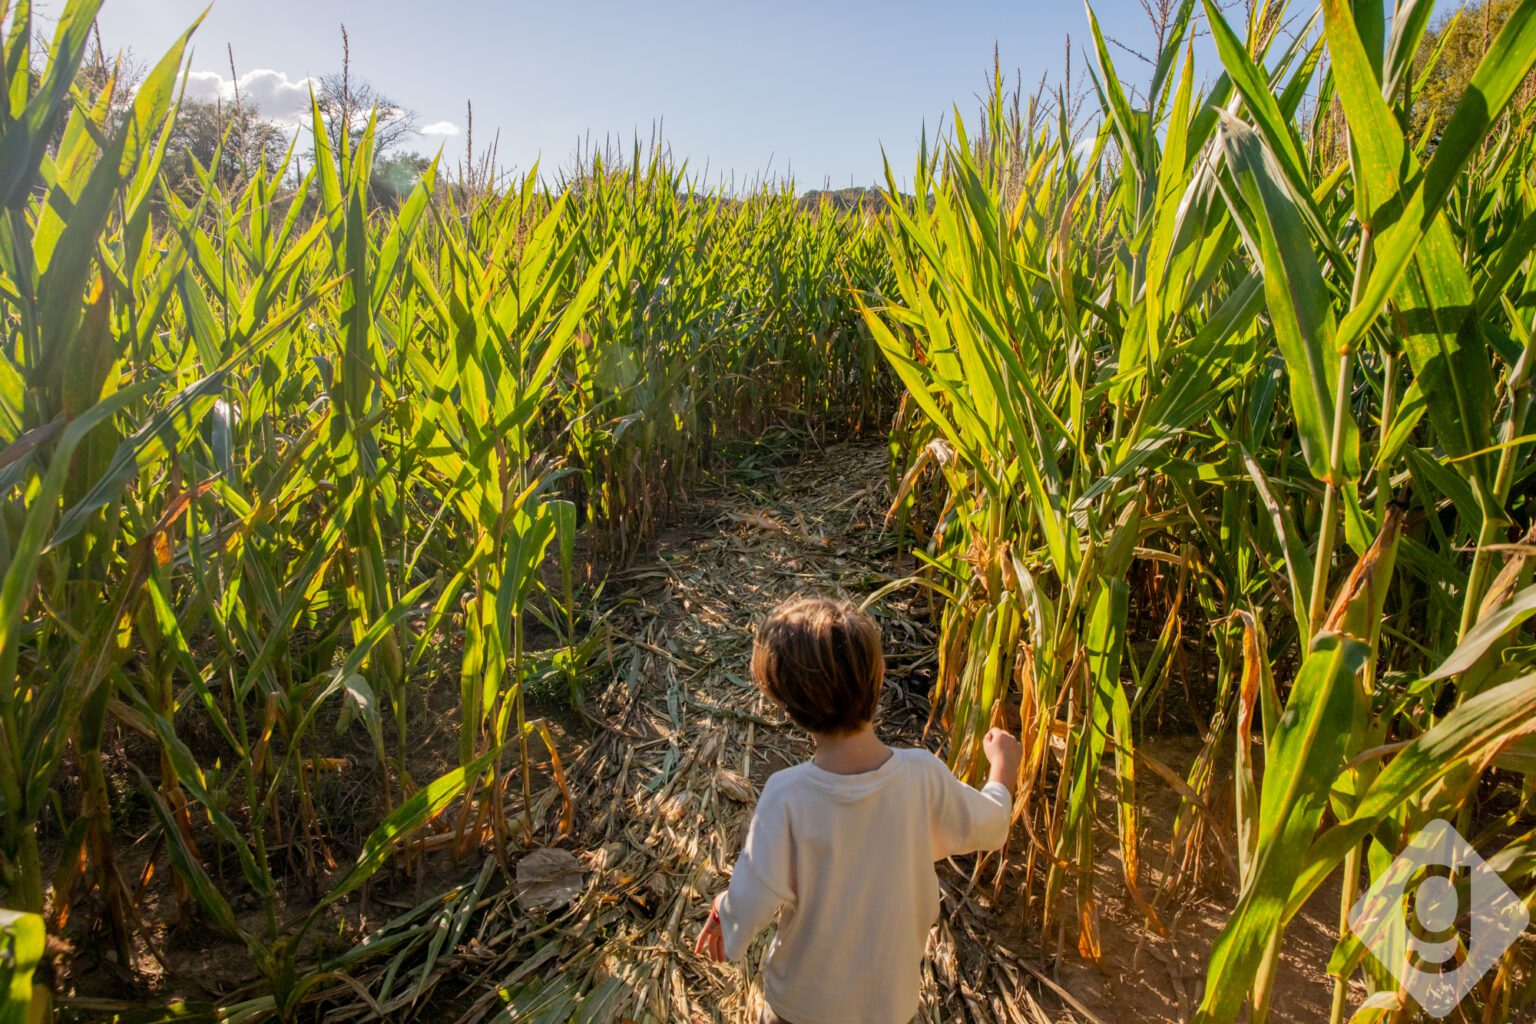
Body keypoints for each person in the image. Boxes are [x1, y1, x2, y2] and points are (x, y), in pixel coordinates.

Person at [693, 595, 1023, 1024]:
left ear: (786, 706)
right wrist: (1002, 767)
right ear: (880, 676)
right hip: (889, 1007)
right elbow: (993, 825)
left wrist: (724, 911)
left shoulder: (787, 796)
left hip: (800, 1007)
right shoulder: (922, 776)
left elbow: (751, 899)